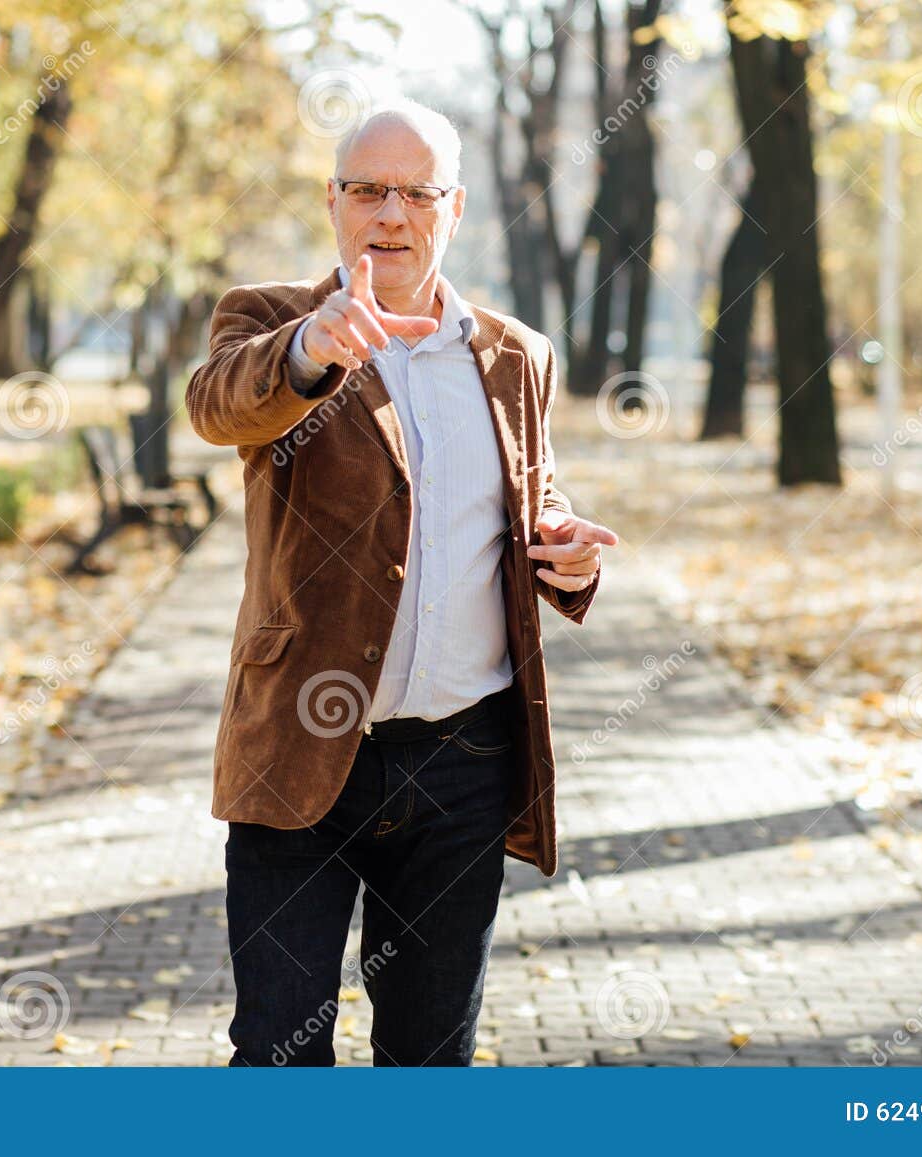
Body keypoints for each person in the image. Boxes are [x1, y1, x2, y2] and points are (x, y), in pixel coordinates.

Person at [184, 98, 617, 1067]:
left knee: (430, 1050)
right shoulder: (270, 323)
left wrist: (566, 554)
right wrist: (310, 352)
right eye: (367, 190)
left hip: (462, 761)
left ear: (452, 208)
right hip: (299, 742)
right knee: (277, 1050)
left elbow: (532, 502)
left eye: (415, 192)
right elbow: (218, 406)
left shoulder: (515, 355)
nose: (391, 213)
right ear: (331, 201)